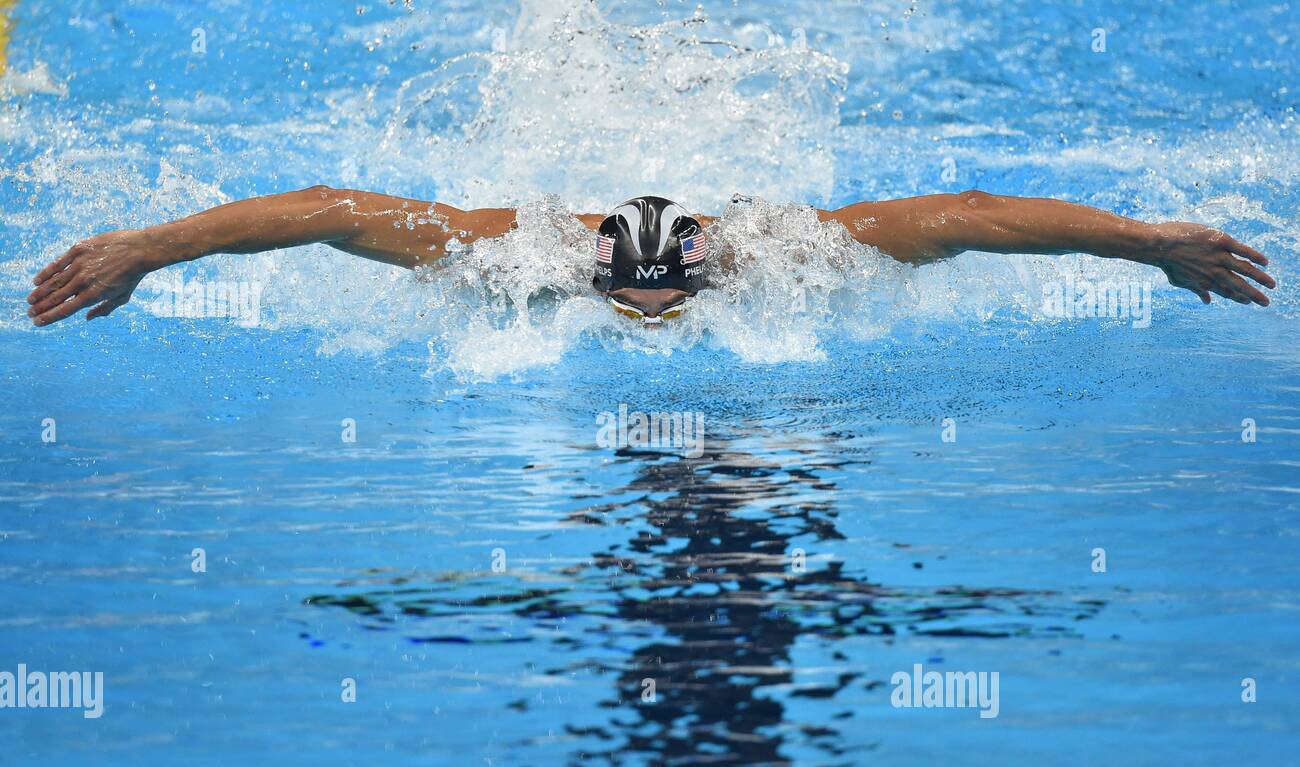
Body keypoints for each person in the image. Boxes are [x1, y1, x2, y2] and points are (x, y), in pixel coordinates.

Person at [26, 187, 1274, 327]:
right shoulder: (522, 256)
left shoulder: (776, 256)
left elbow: (966, 215)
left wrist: (1146, 245)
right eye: (633, 302)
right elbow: (330, 209)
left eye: (664, 301)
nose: (648, 318)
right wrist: (149, 248)